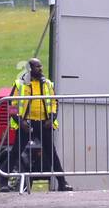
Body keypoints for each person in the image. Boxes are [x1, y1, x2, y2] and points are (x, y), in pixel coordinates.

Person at [11, 57, 72, 192]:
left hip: (44, 124)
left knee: (51, 153)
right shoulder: (20, 84)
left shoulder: (47, 84)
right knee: (16, 152)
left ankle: (62, 182)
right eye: (37, 67)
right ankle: (3, 182)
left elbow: (54, 102)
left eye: (41, 66)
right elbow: (12, 105)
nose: (41, 69)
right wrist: (20, 122)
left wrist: (52, 118)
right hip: (26, 124)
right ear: (30, 69)